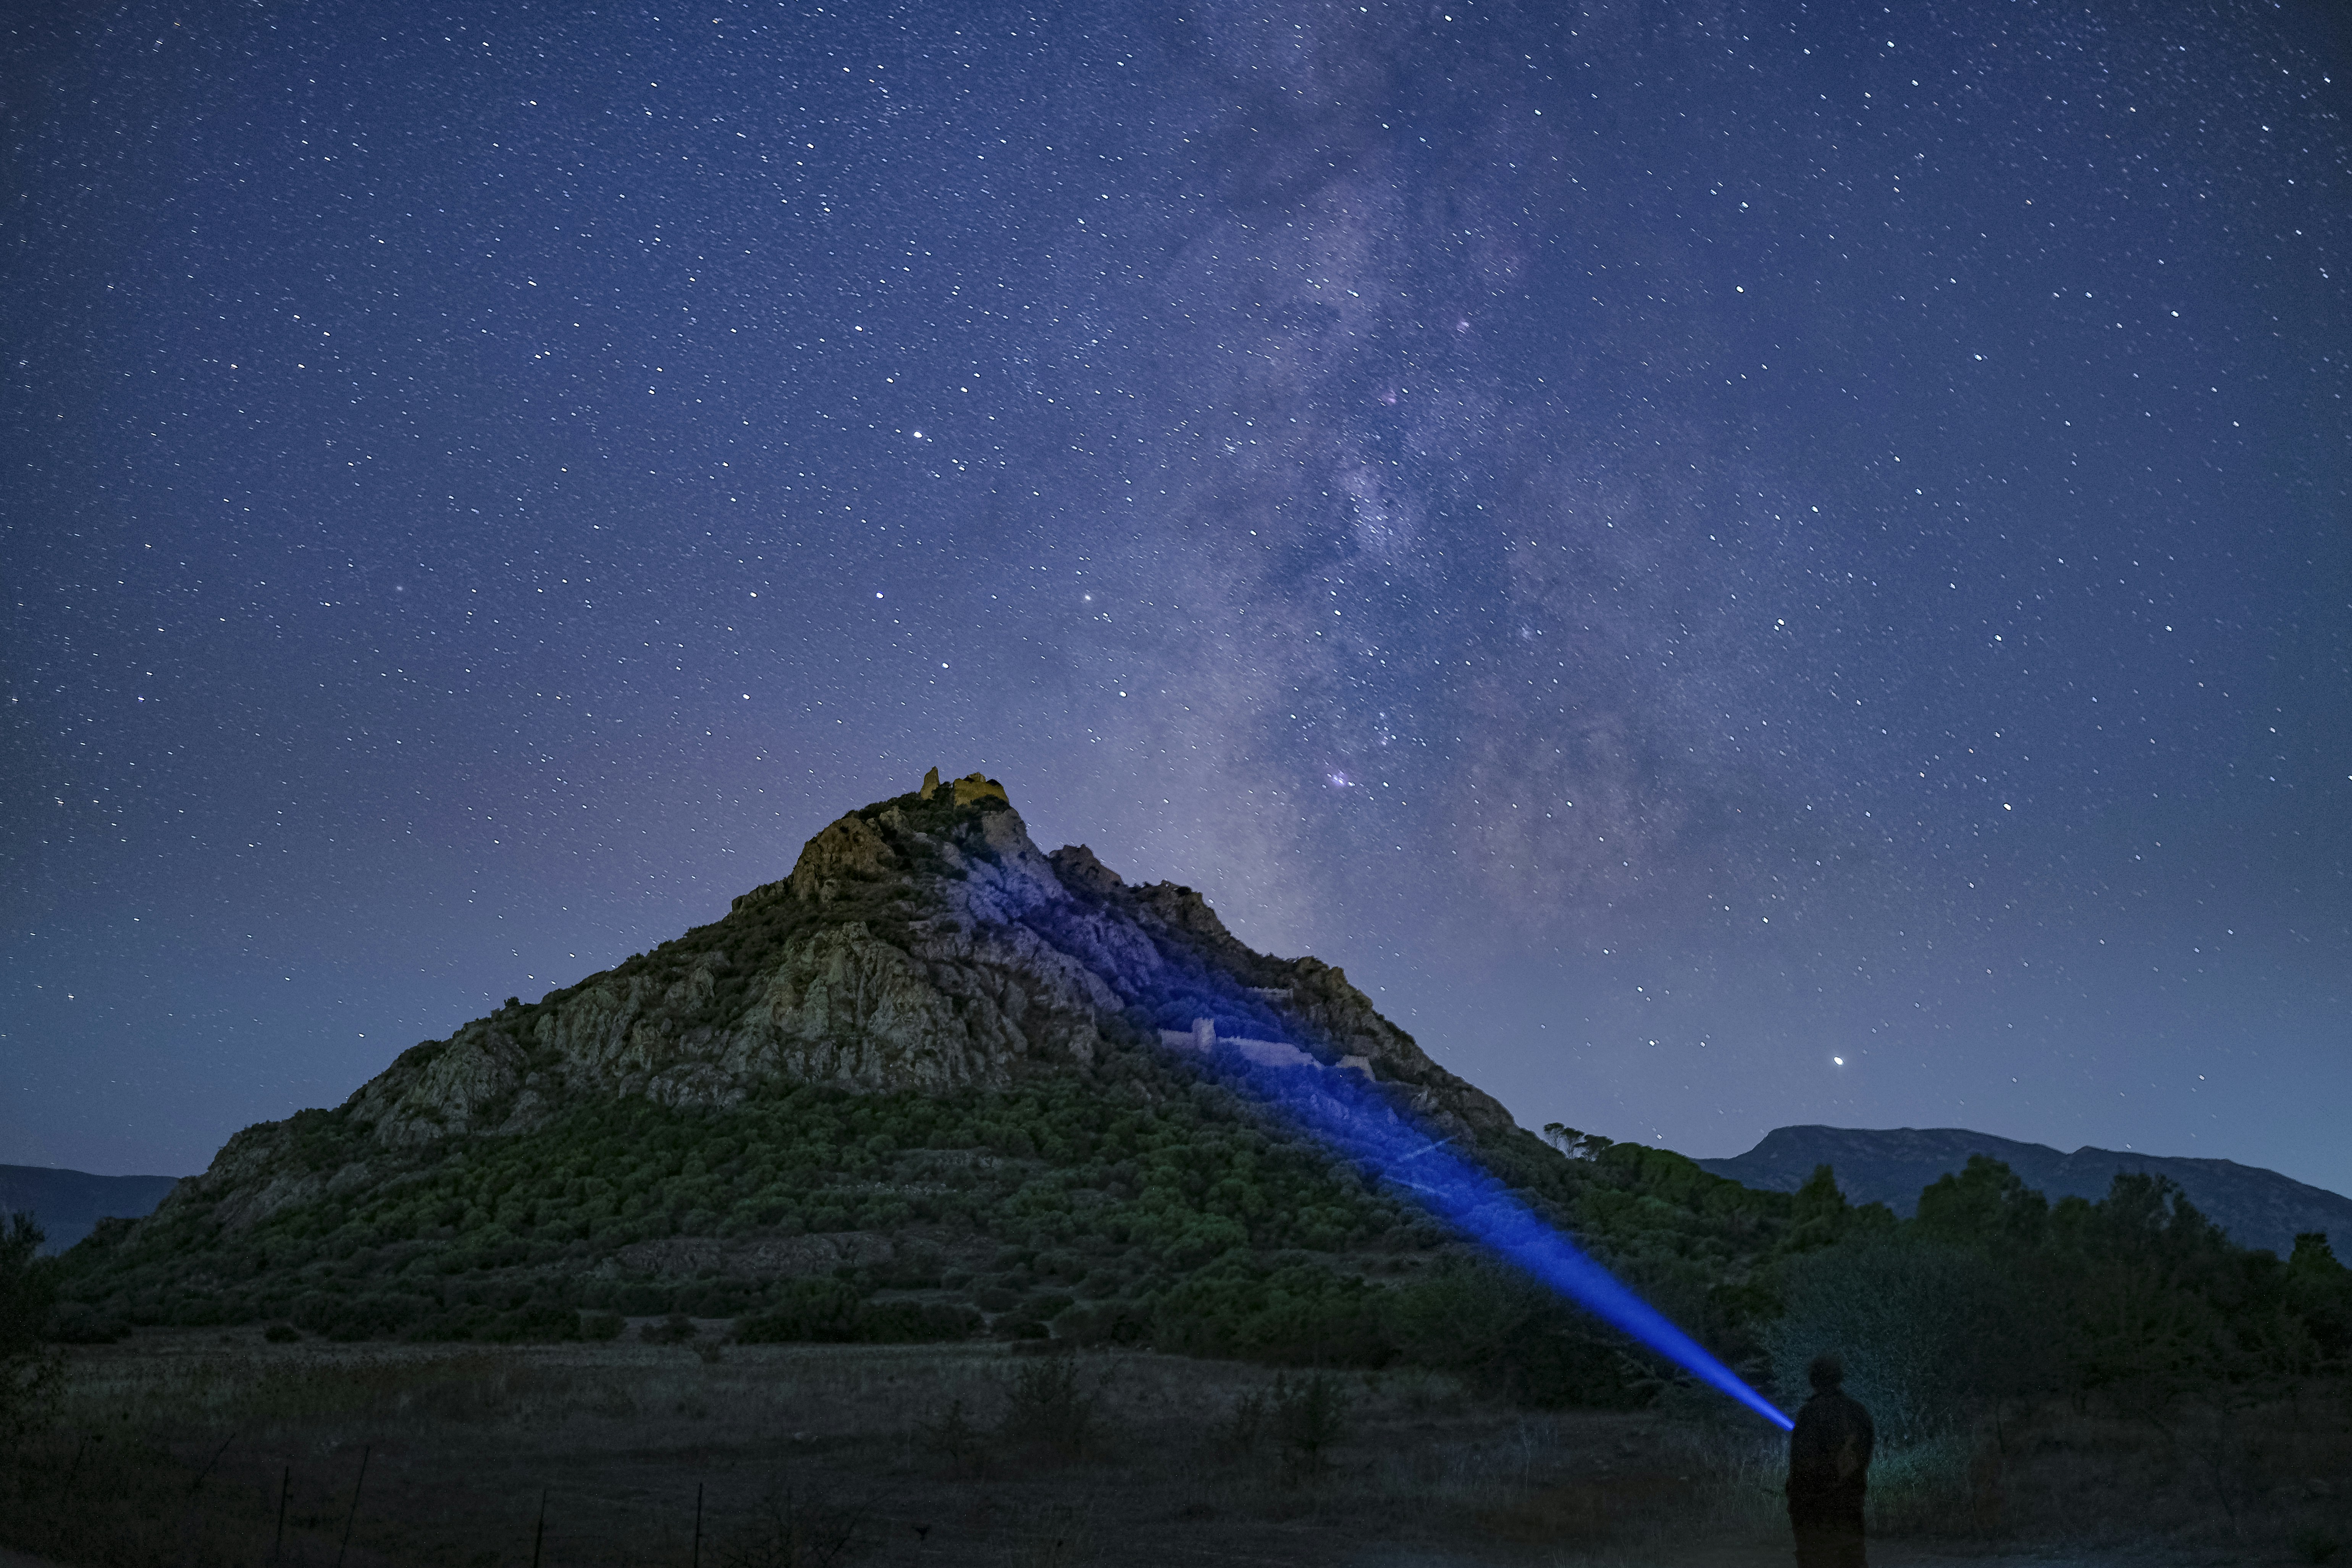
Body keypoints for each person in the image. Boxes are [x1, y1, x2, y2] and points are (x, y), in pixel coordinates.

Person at [1787, 1352, 1874, 1568]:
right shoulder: (1858, 1412)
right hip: (1850, 1507)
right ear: (1839, 1378)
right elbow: (1863, 1458)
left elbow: (1803, 1466)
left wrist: (1796, 1499)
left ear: (1813, 1380)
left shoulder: (1810, 1413)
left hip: (1816, 1512)